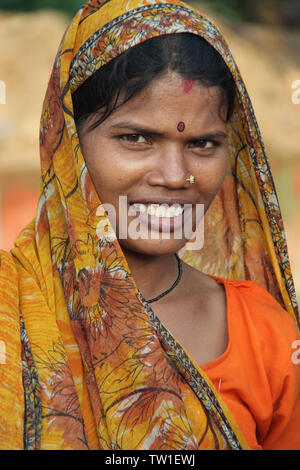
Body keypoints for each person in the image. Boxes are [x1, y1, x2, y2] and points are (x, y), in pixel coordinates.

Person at [0, 0, 299, 451]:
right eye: (136, 138)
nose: (176, 176)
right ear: (67, 144)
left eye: (202, 143)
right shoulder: (11, 307)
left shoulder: (265, 335)